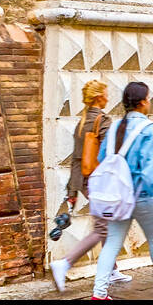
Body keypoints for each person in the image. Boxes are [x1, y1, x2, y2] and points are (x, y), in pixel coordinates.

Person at [91, 81, 153, 300]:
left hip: (118, 197)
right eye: (149, 98)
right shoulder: (148, 128)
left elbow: (102, 159)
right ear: (143, 102)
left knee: (113, 243)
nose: (150, 102)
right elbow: (149, 168)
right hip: (142, 195)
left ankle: (99, 294)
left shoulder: (115, 127)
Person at [50, 80, 130, 292]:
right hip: (101, 182)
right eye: (105, 94)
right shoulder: (103, 121)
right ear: (98, 98)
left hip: (85, 181)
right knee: (102, 228)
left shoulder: (82, 122)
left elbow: (76, 160)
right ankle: (64, 263)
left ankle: (111, 270)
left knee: (106, 225)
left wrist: (72, 190)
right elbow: (111, 154)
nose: (108, 97)